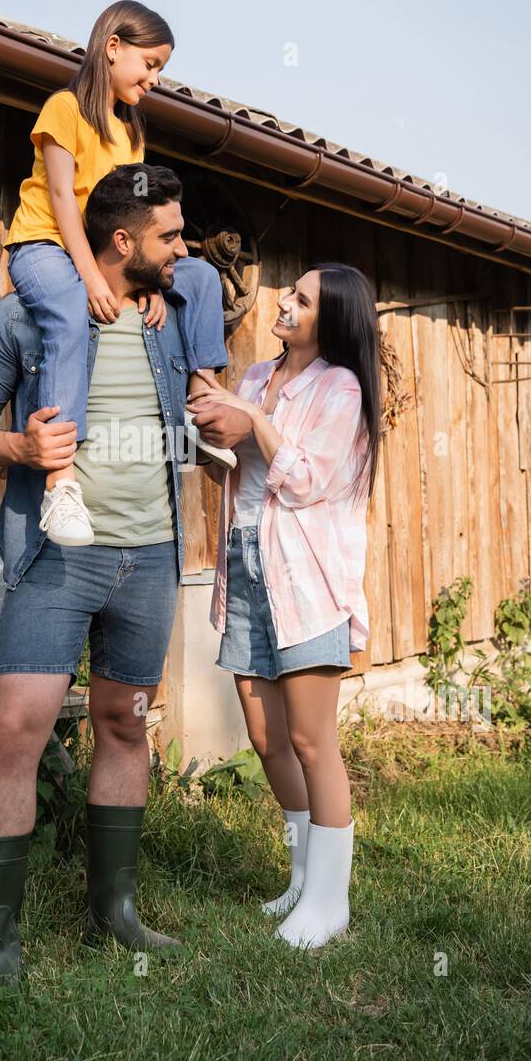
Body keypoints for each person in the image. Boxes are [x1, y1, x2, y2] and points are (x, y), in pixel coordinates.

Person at [0, 163, 228, 984]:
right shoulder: (27, 320)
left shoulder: (170, 314)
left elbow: (206, 370)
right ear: (120, 242)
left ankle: (117, 912)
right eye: (168, 235)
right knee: (15, 733)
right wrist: (19, 448)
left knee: (125, 726)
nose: (182, 247)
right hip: (55, 557)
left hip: (150, 559)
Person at [187, 263, 381, 949]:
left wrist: (251, 418)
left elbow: (300, 479)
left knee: (309, 739)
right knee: (266, 738)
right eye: (288, 292)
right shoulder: (251, 379)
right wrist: (211, 432)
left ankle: (331, 903)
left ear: (329, 321)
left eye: (300, 299)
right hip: (243, 566)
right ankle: (302, 879)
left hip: (304, 577)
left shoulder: (341, 387)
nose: (283, 302)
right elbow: (232, 468)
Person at [3, 0, 234, 550]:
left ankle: (201, 398)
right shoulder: (64, 109)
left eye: (160, 69)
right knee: (65, 314)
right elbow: (62, 198)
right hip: (45, 244)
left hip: (103, 251)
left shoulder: (131, 131)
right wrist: (89, 276)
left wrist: (152, 282)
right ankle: (62, 482)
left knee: (200, 279)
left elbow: (136, 220)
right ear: (112, 48)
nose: (153, 79)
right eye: (149, 64)